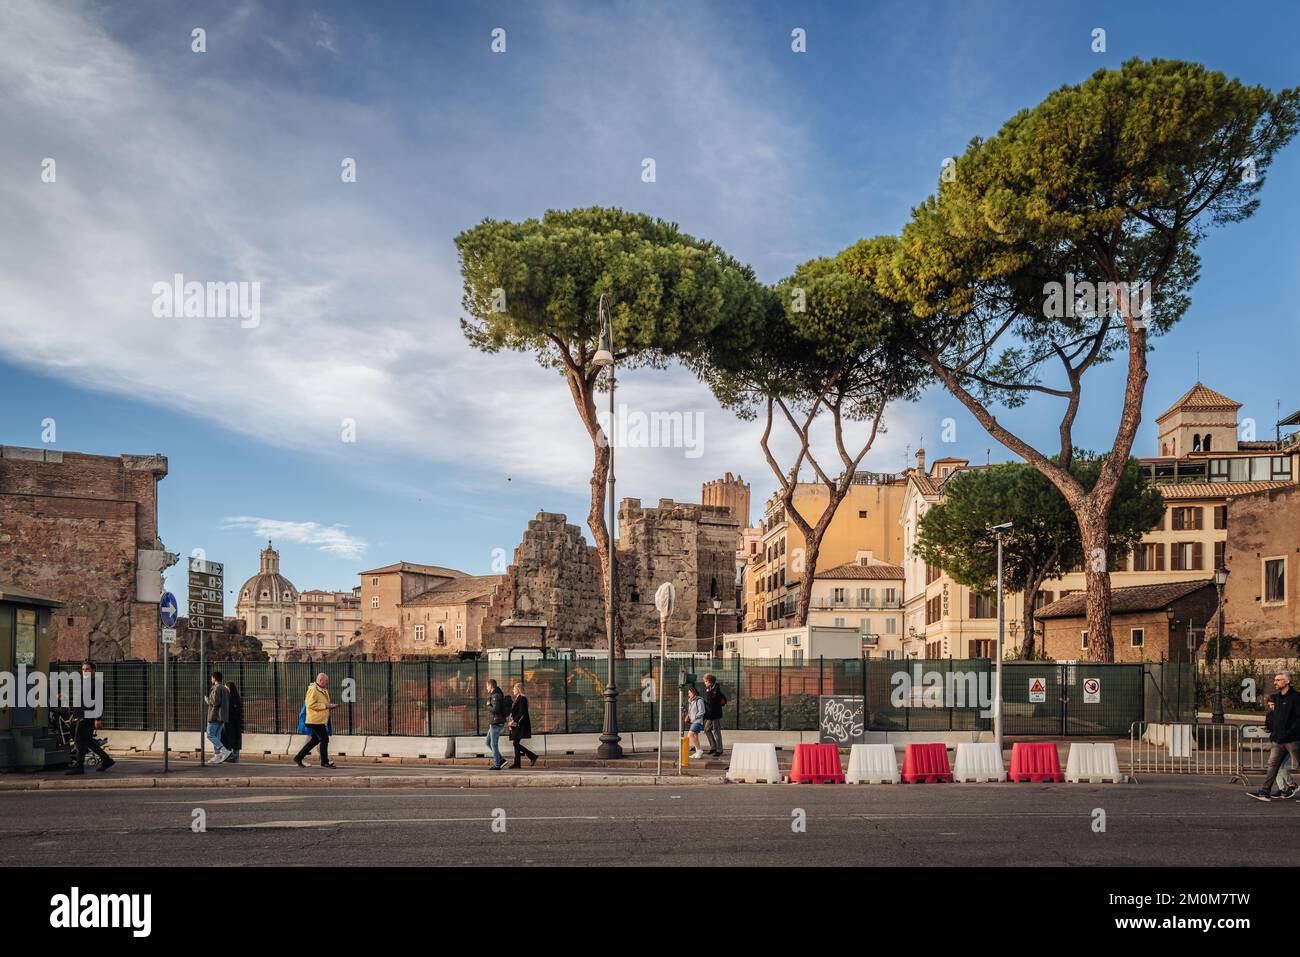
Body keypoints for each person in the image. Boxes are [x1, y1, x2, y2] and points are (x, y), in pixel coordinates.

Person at [1248, 671, 1300, 801]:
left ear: (1287, 681)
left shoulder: (1296, 698)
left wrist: (1288, 733)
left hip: (1293, 740)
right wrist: (1274, 733)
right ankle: (1265, 792)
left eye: (1278, 680)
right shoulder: (1277, 698)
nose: (1275, 682)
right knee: (1272, 765)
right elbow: (1276, 719)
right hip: (1278, 740)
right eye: (1275, 680)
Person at [64, 661, 114, 775]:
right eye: (83, 669)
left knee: (80, 741)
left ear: (93, 670)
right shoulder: (85, 682)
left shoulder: (97, 683)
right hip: (80, 715)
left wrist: (98, 718)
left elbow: (100, 702)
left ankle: (79, 766)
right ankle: (107, 760)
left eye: (87, 669)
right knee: (88, 741)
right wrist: (74, 713)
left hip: (89, 716)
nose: (84, 671)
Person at [294, 673, 339, 769]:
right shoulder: (313, 690)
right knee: (324, 739)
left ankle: (299, 757)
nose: (327, 683)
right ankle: (324, 762)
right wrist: (326, 706)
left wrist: (329, 706)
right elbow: (310, 704)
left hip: (319, 720)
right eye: (326, 681)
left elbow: (320, 702)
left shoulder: (321, 690)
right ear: (321, 680)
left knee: (314, 740)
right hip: (315, 720)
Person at [204, 671, 232, 765]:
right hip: (222, 716)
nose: (211, 679)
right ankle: (217, 756)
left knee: (210, 734)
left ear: (214, 678)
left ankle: (224, 751)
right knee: (217, 736)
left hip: (215, 715)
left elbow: (215, 702)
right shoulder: (225, 689)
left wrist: (207, 700)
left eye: (212, 678)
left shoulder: (216, 688)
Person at [507, 682, 538, 768]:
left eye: (514, 688)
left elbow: (522, 712)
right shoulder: (518, 698)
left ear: (518, 689)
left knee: (516, 743)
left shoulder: (522, 699)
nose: (513, 690)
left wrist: (513, 721)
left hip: (520, 724)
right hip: (516, 724)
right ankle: (518, 763)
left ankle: (532, 756)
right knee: (515, 743)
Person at [484, 678, 508, 770]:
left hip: (496, 722)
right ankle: (501, 760)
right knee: (487, 742)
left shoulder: (496, 695)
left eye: (487, 686)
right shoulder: (495, 694)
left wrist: (488, 705)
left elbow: (496, 709)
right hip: (494, 722)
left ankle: (497, 764)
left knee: (494, 744)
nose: (486, 688)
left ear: (490, 686)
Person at [701, 672, 727, 757]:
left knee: (716, 731)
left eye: (705, 681)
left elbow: (713, 702)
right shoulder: (711, 688)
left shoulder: (716, 690)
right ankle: (713, 747)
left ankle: (719, 749)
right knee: (706, 729)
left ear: (709, 681)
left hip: (715, 714)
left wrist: (709, 692)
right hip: (710, 714)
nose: (704, 683)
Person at [221, 681, 244, 764]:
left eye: (226, 688)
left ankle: (230, 757)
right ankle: (235, 758)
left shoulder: (229, 699)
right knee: (235, 741)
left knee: (228, 740)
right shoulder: (237, 698)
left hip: (229, 723)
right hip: (235, 723)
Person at [684, 684, 707, 760]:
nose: (689, 694)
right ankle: (697, 752)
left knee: (690, 735)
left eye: (690, 693)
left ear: (694, 693)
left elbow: (702, 711)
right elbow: (691, 712)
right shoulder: (691, 701)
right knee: (695, 736)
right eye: (688, 693)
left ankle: (699, 750)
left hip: (698, 721)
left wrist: (694, 717)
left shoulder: (699, 700)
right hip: (693, 721)